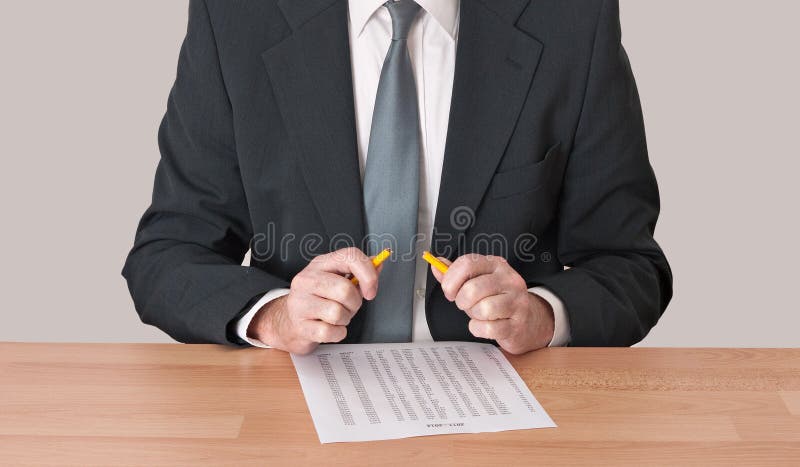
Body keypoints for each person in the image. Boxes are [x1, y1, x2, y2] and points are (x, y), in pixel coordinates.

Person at [123, 0, 672, 355]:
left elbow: (632, 267)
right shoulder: (236, 17)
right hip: (293, 406)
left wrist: (543, 316)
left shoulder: (573, 20)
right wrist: (273, 315)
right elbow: (167, 254)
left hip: (510, 412)